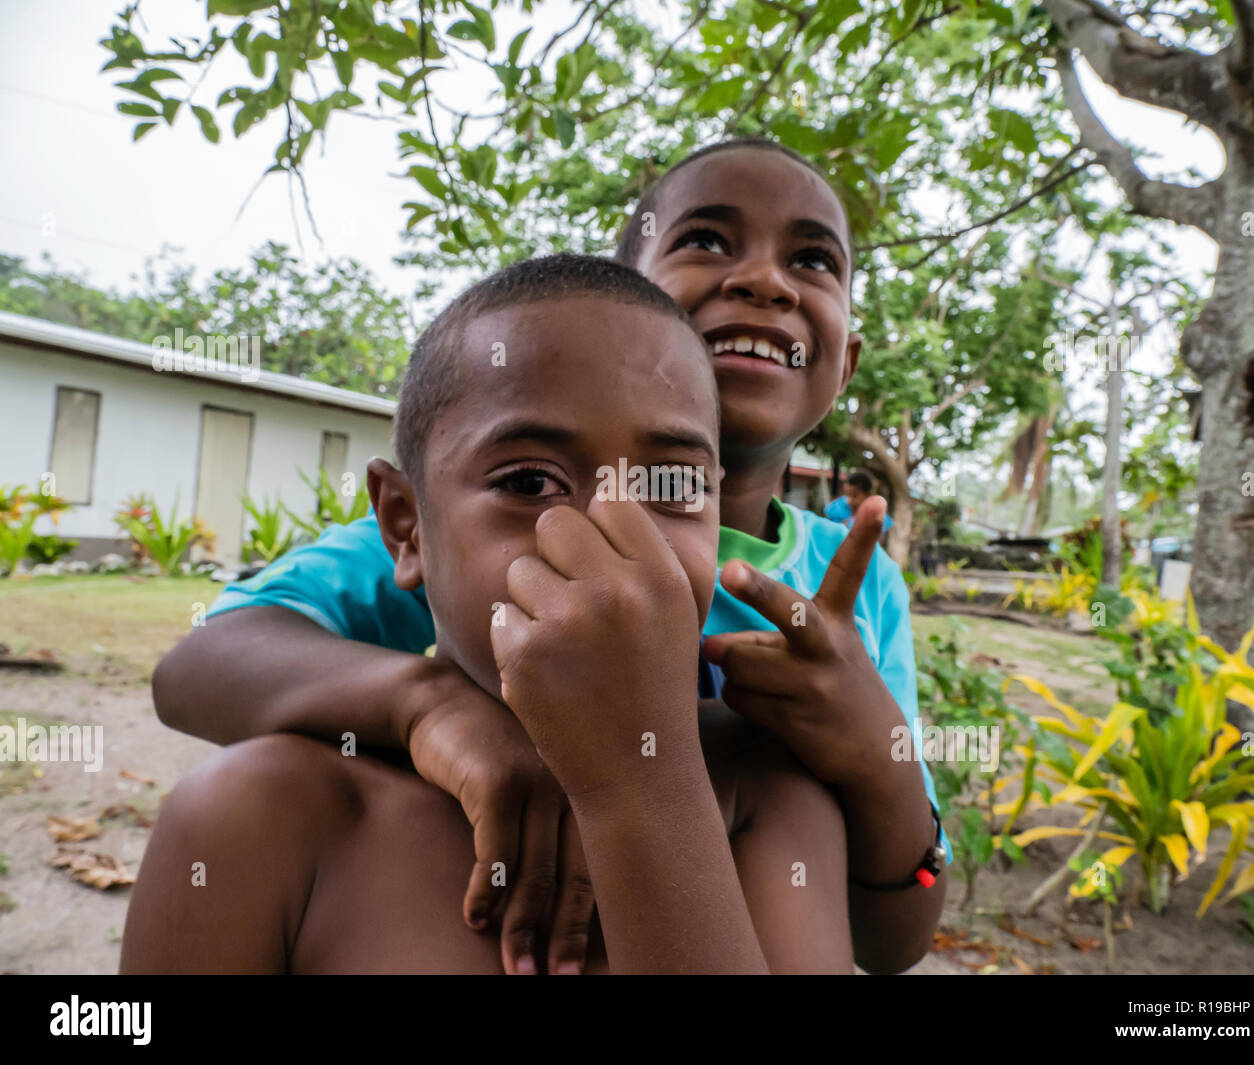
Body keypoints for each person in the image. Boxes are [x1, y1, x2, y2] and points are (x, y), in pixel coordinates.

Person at [150, 138, 948, 975]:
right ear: (406, 527)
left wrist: (869, 753)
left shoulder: (789, 767)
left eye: (674, 483)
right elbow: (202, 660)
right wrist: (430, 706)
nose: (609, 532)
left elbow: (895, 937)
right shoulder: (265, 817)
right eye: (531, 479)